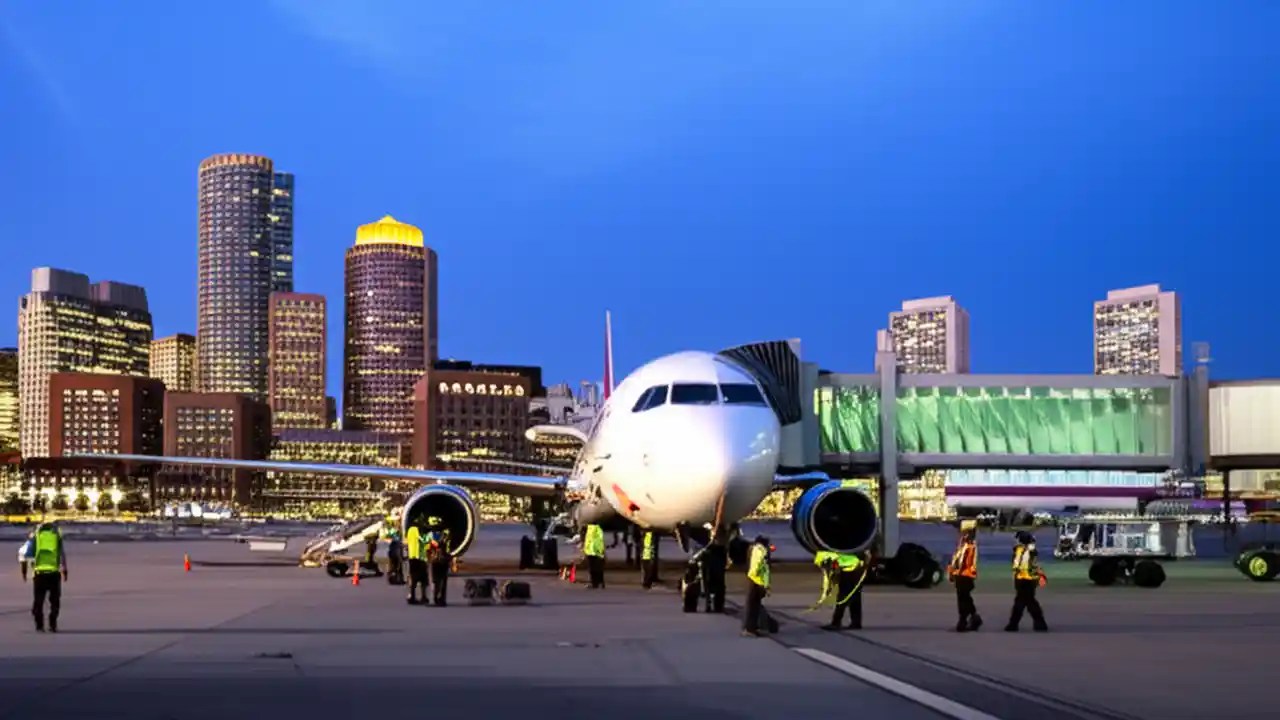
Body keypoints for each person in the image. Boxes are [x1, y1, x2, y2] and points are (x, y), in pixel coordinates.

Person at [25, 522, 67, 633]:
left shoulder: (36, 537)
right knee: (55, 601)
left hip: (40, 574)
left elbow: (29, 555)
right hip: (54, 573)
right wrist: (64, 570)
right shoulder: (56, 536)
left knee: (38, 601)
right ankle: (52, 623)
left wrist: (28, 573)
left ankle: (39, 625)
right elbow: (61, 554)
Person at [1006, 531, 1048, 632]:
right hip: (1026, 579)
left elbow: (1019, 565)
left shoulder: (1024, 551)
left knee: (1022, 603)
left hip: (1025, 580)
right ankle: (1039, 623)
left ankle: (1014, 624)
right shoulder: (1026, 550)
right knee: (1029, 602)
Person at [814, 550, 865, 631]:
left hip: (848, 567)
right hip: (856, 565)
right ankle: (855, 622)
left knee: (843, 594)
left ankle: (837, 622)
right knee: (855, 594)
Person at [949, 520, 982, 632]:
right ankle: (974, 617)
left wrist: (954, 571)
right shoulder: (965, 544)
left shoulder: (968, 546)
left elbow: (962, 563)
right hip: (963, 575)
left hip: (964, 575)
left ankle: (963, 621)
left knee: (963, 599)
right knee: (966, 598)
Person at [741, 535, 772, 637]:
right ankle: (749, 628)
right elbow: (759, 567)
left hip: (755, 580)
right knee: (753, 606)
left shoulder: (754, 549)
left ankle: (751, 628)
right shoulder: (761, 551)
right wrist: (762, 582)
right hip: (756, 581)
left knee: (753, 606)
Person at [425, 517, 452, 606]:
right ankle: (442, 599)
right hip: (444, 560)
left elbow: (427, 548)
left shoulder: (430, 536)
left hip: (435, 560)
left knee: (435, 580)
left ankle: (435, 598)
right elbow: (449, 548)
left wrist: (427, 557)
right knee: (443, 580)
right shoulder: (445, 535)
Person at [699, 532, 727, 613]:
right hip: (715, 571)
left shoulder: (707, 550)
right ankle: (716, 606)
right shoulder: (720, 550)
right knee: (717, 588)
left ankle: (711, 605)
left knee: (710, 588)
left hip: (712, 572)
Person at [404, 520, 429, 605]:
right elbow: (423, 541)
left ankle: (412, 596)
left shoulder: (410, 531)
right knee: (423, 579)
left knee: (413, 578)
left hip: (412, 557)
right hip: (420, 557)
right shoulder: (418, 531)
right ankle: (423, 596)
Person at [582, 523, 606, 589]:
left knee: (592, 568)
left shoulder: (589, 529)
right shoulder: (598, 528)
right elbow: (601, 540)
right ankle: (601, 583)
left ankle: (594, 583)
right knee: (599, 567)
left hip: (591, 551)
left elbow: (588, 541)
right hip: (598, 550)